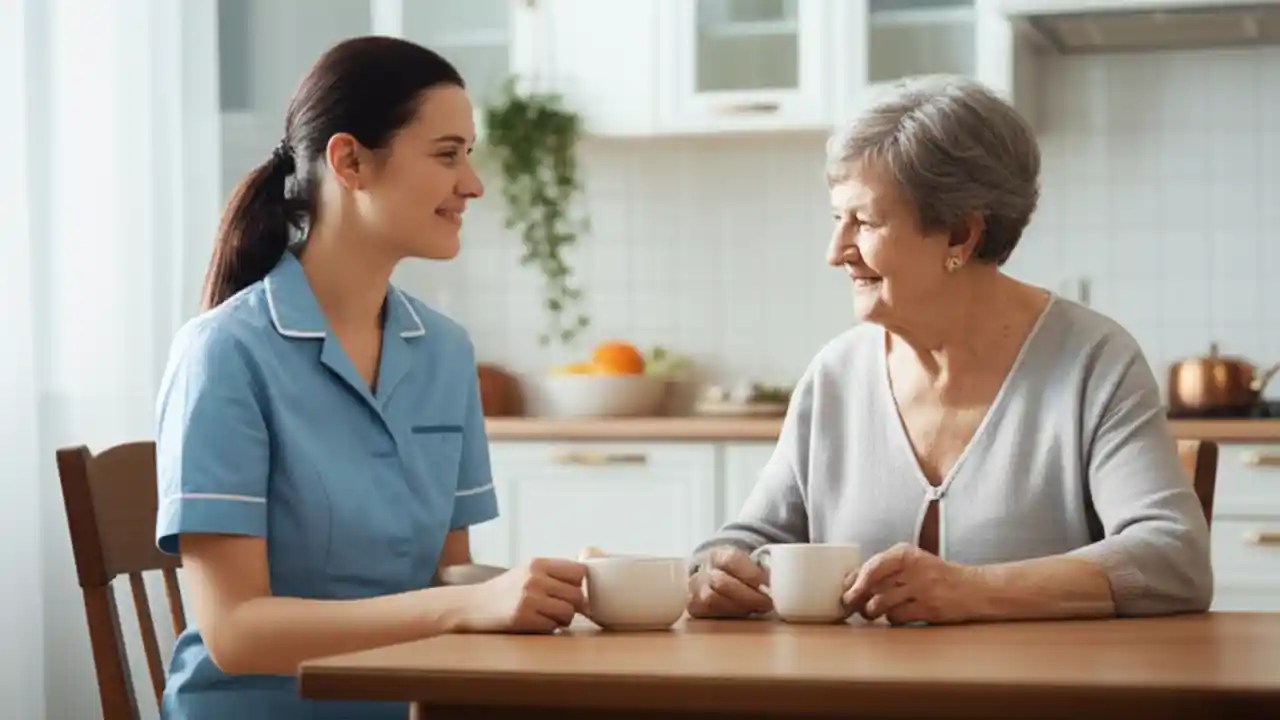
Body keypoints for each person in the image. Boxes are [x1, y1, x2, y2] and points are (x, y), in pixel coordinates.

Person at [154, 37, 587, 719]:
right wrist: (469, 605)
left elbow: (450, 575)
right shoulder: (223, 353)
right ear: (350, 161)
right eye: (448, 154)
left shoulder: (445, 353)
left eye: (469, 155)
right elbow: (235, 634)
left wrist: (569, 596)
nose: (472, 184)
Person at [686, 75, 1212, 625]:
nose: (835, 251)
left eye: (863, 221)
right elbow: (749, 540)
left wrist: (976, 590)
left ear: (961, 235)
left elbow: (1172, 558)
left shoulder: (1093, 363)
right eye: (836, 219)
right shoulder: (835, 376)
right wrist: (713, 573)